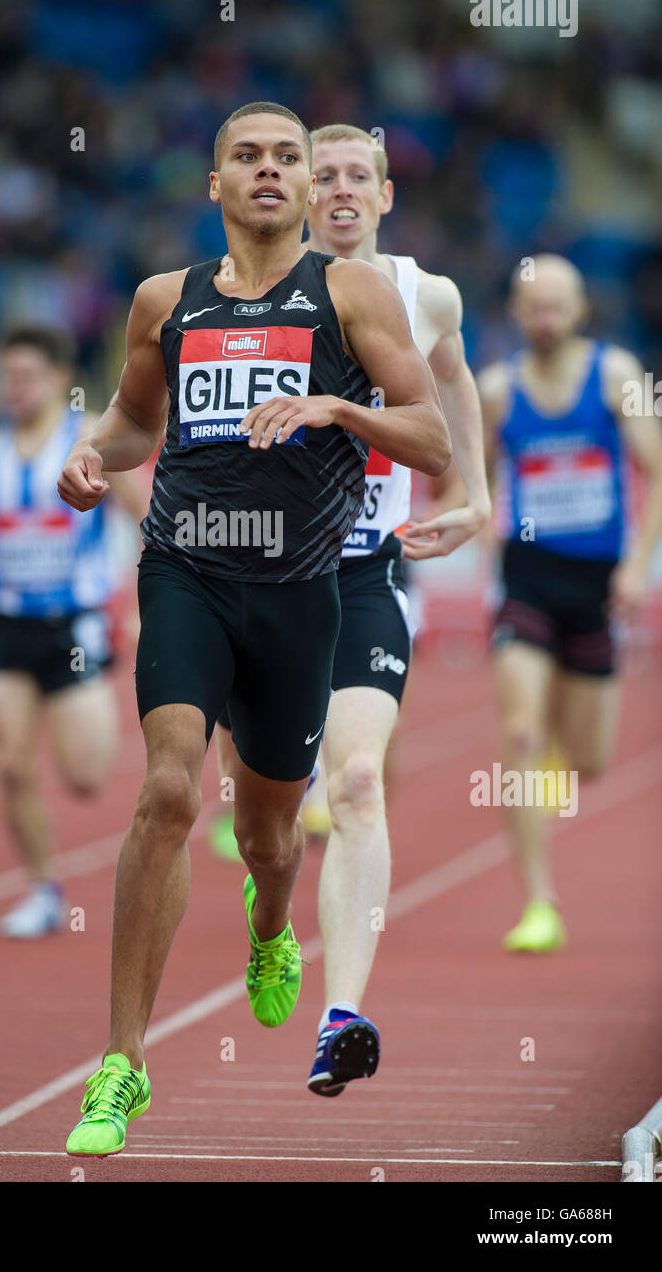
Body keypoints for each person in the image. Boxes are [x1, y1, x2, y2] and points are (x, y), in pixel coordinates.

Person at [55, 101, 451, 1156]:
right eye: (249, 157)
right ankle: (121, 1065)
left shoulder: (349, 292)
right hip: (187, 570)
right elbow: (137, 420)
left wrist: (338, 411)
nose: (273, 170)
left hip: (301, 588)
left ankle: (269, 929)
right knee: (172, 786)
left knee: (273, 835)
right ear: (214, 184)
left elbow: (432, 435)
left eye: (288, 157)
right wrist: (94, 457)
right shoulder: (164, 301)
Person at [214, 122, 490, 1097]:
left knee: (360, 782)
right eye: (317, 173)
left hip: (365, 575)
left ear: (382, 196)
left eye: (353, 176)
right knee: (266, 826)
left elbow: (452, 384)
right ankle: (269, 912)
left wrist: (476, 496)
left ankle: (342, 1018)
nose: (334, 189)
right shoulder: (246, 297)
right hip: (256, 582)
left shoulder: (429, 295)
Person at [0, 324, 149, 937]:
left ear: (58, 379)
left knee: (87, 776)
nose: (14, 388)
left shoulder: (92, 437)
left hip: (74, 626)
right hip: (5, 622)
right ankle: (43, 888)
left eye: (27, 376)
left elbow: (148, 520)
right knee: (13, 767)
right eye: (7, 377)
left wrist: (144, 607)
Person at [478, 254, 662, 951]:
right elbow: (482, 475)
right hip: (524, 578)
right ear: (516, 314)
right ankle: (538, 902)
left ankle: (562, 752)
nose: (544, 319)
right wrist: (487, 523)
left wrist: (637, 568)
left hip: (597, 582)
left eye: (556, 307)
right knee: (520, 734)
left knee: (588, 763)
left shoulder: (616, 376)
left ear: (579, 310)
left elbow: (655, 470)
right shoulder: (496, 388)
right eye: (532, 307)